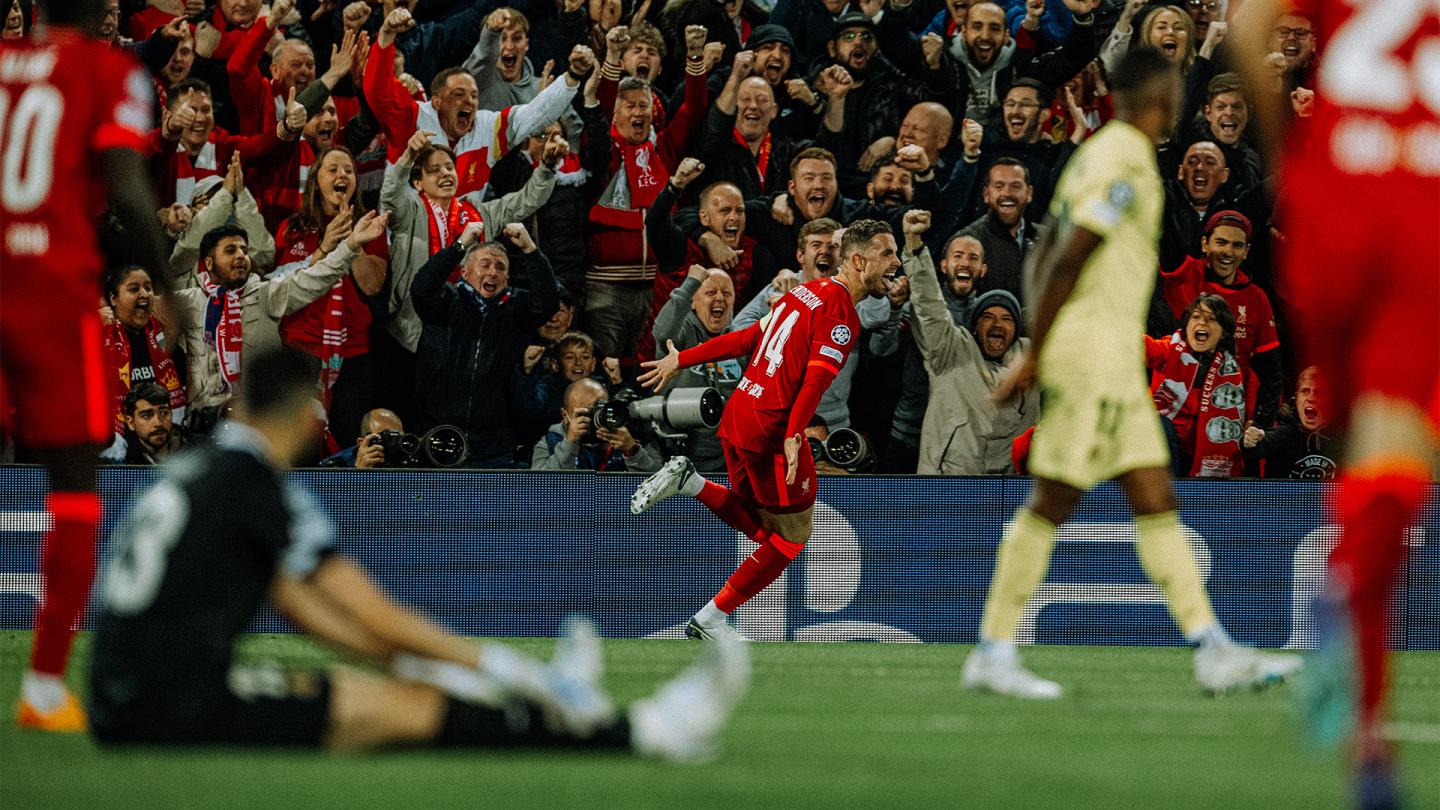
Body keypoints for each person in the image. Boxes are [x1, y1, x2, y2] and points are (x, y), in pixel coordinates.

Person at [88, 347, 749, 759]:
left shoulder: (197, 470)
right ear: (298, 414)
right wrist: (500, 664)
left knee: (388, 699)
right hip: (172, 707)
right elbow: (367, 609)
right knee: (416, 713)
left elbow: (303, 611)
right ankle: (642, 733)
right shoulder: (256, 484)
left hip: (123, 696)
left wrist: (427, 667)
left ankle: (601, 721)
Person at [960, 49, 1300, 700]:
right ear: (1163, 95)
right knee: (1053, 500)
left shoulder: (1095, 154)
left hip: (1109, 357)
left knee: (1154, 498)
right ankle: (993, 648)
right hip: (1092, 356)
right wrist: (1040, 351)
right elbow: (1068, 256)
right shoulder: (1122, 158)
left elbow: (1047, 252)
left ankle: (1211, 647)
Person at [1235, 4, 1440, 802]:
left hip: (1331, 205)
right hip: (1421, 202)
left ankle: (1370, 743)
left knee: (1367, 448)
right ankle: (1346, 599)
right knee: (1399, 455)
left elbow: (1250, 23)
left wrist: (1291, 152)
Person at [3, 0, 171, 732]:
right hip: (52, 293)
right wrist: (169, 287)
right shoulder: (107, 69)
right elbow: (129, 187)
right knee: (75, 483)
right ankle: (42, 688)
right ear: (103, 15)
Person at [629, 220, 898, 641]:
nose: (896, 263)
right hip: (772, 430)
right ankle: (709, 620)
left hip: (739, 416)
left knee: (765, 529)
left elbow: (751, 336)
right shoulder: (842, 313)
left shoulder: (804, 293)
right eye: (887, 254)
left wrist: (682, 360)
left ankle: (691, 483)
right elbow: (814, 379)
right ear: (860, 261)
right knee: (790, 541)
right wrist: (794, 435)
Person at [410, 222, 561, 468]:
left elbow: (548, 301)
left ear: (507, 278)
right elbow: (421, 287)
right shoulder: (445, 303)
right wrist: (460, 245)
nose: (493, 272)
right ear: (465, 272)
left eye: (500, 267)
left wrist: (530, 250)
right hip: (435, 439)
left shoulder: (517, 311)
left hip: (494, 445)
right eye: (485, 264)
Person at [901, 212, 1034, 475]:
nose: (997, 324)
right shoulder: (951, 350)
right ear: (974, 326)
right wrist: (914, 243)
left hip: (1008, 487)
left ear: (1016, 329)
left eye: (1007, 318)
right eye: (988, 316)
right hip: (945, 482)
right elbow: (930, 307)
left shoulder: (1029, 358)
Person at [275, 146, 390, 449]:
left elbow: (371, 286)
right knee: (300, 442)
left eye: (349, 170)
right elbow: (281, 287)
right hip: (301, 349)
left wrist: (352, 240)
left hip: (352, 353)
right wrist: (326, 248)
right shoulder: (292, 229)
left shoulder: (372, 227)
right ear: (316, 180)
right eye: (333, 169)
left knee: (349, 434)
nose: (342, 175)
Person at [1158, 210, 1283, 425]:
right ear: (1205, 244)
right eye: (1221, 242)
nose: (1228, 252)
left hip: (1223, 420)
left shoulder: (1256, 298)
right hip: (1174, 413)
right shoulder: (1185, 274)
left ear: (1246, 252)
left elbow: (1271, 373)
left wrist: (1260, 425)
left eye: (1237, 245)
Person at [652, 264, 743, 472]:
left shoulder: (740, 343)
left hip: (730, 460)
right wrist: (690, 284)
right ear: (692, 302)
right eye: (710, 292)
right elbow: (662, 332)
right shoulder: (682, 335)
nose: (719, 298)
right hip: (677, 458)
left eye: (727, 293)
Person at [1144, 294, 1245, 478]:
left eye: (1212, 319)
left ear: (1223, 332)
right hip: (1163, 449)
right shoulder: (1170, 350)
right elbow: (1145, 347)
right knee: (1157, 424)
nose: (1202, 323)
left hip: (1201, 454)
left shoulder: (1232, 373)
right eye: (1196, 317)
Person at [101, 265, 187, 436]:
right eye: (134, 289)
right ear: (113, 298)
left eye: (148, 288)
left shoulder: (165, 339)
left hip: (164, 440)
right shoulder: (98, 342)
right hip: (114, 444)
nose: (145, 294)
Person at [531, 378, 666, 472]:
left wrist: (633, 451)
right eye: (586, 412)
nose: (595, 417)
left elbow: (662, 488)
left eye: (600, 409)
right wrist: (569, 444)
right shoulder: (550, 443)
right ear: (565, 415)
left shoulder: (631, 436)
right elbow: (540, 489)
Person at [1242, 365, 1338, 480]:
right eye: (1305, 391)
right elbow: (1259, 448)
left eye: (1318, 392)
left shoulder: (1341, 438)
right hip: (1283, 498)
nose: (1311, 398)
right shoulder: (1284, 433)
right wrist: (1250, 441)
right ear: (1296, 399)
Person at [102, 383, 184, 465]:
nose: (158, 423)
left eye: (163, 413)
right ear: (131, 422)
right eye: (147, 415)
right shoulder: (120, 459)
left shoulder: (195, 450)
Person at [322, 408, 406, 469]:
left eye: (397, 438)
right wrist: (359, 473)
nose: (392, 444)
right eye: (385, 438)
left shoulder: (406, 456)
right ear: (361, 443)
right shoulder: (334, 467)